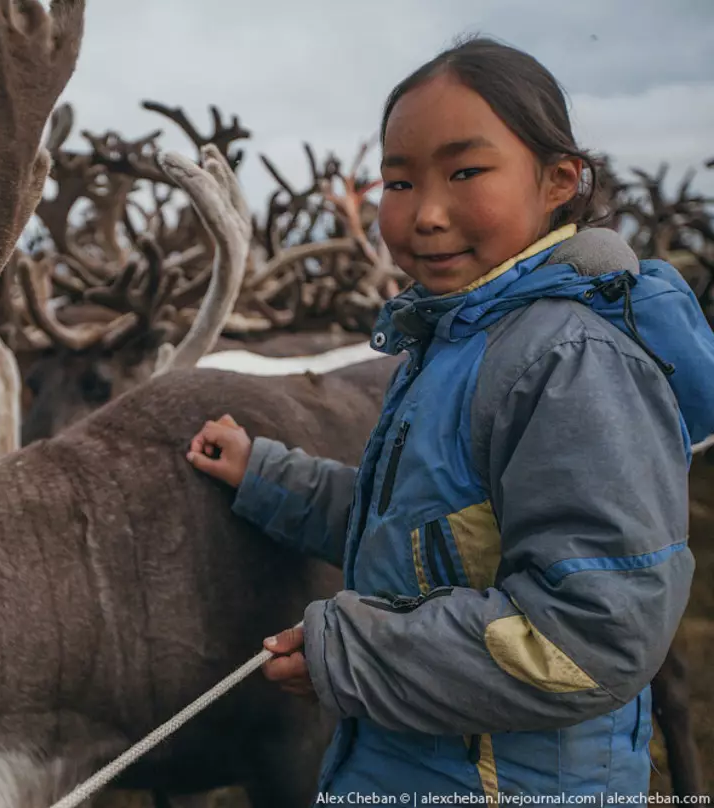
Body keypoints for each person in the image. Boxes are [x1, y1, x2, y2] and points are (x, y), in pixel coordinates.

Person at [187, 35, 714, 800]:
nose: (426, 214)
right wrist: (263, 473)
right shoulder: (456, 343)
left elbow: (595, 635)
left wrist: (360, 658)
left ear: (560, 179)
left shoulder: (567, 364)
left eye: (465, 172)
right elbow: (415, 537)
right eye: (398, 182)